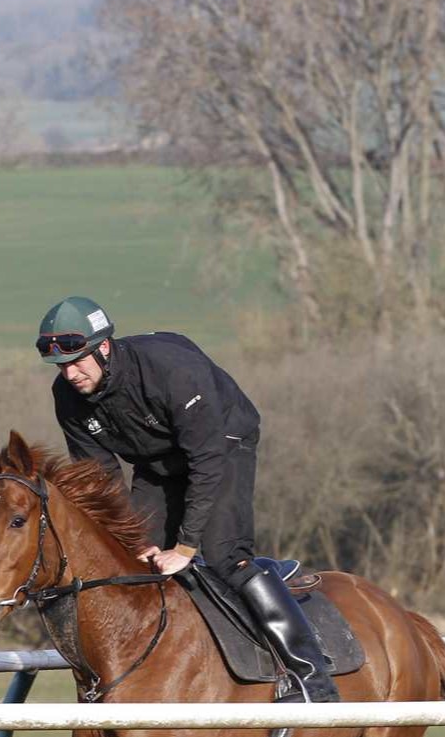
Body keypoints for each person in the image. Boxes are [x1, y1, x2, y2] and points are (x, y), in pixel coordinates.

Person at [38, 295, 339, 703]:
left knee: (224, 555)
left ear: (104, 347)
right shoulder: (67, 397)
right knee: (133, 561)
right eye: (62, 366)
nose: (70, 374)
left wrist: (185, 546)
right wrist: (136, 541)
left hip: (222, 444)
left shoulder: (172, 372)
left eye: (78, 362)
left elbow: (206, 462)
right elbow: (101, 481)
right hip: (157, 461)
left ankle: (310, 676)